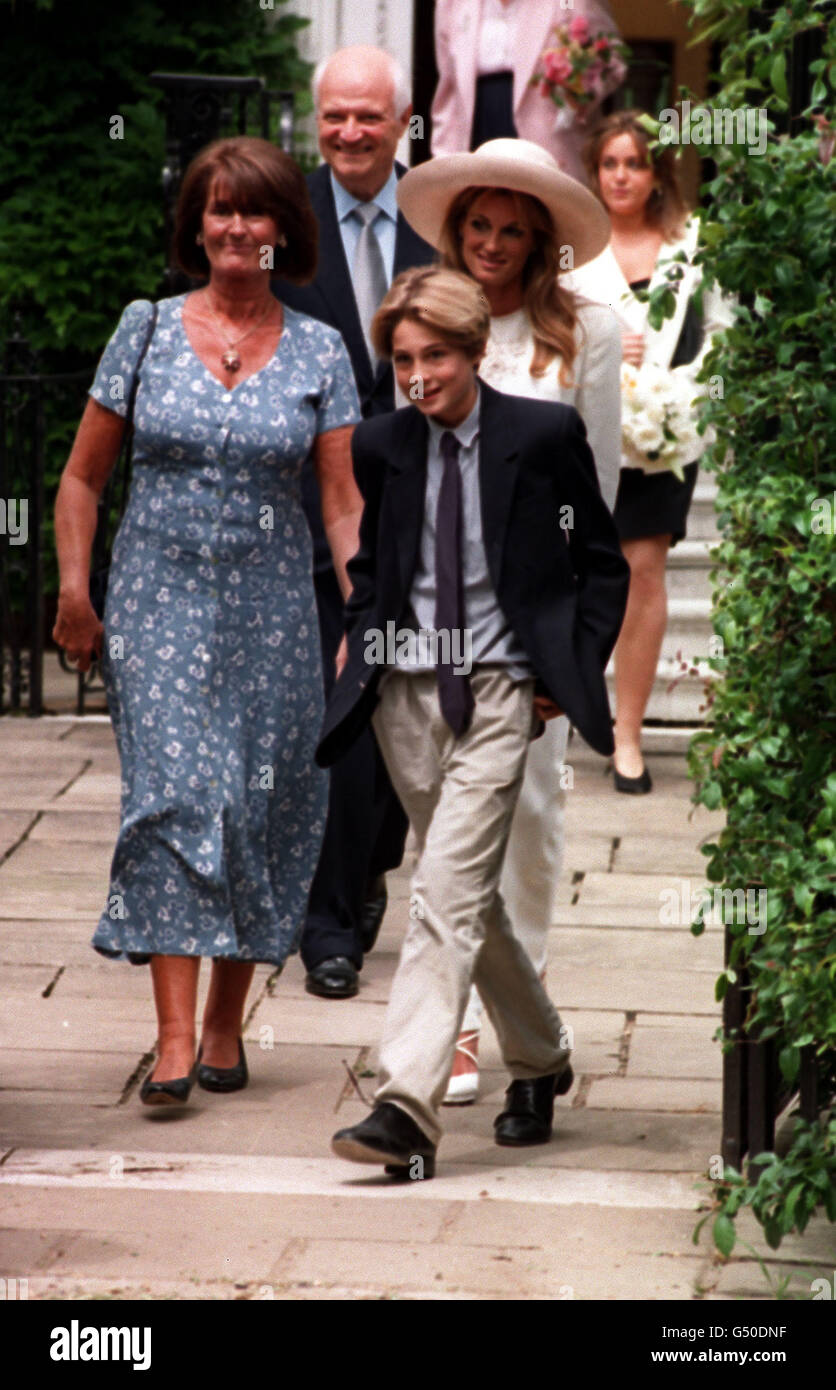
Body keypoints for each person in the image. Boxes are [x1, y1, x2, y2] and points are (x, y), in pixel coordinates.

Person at [52, 136, 363, 1107]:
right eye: (218, 210)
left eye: (255, 211)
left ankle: (228, 1021)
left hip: (272, 610)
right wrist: (73, 589)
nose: (235, 227)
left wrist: (363, 608)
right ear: (195, 226)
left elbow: (343, 500)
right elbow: (81, 476)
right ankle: (175, 1039)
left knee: (257, 809)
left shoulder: (319, 350)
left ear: (284, 232)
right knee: (177, 798)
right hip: (155, 602)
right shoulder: (144, 328)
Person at [320, 266, 629, 1178]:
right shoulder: (382, 444)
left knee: (441, 895)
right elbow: (378, 566)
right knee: (470, 901)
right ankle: (541, 1059)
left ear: (474, 351)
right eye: (405, 361)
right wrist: (362, 636)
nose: (419, 378)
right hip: (407, 699)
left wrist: (561, 672)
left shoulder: (541, 434)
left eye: (438, 358)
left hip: (498, 691)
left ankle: (403, 1105)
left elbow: (599, 561)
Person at [396, 137, 620, 1102]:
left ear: (539, 242)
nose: (491, 243)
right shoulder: (424, 320)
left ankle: (514, 1041)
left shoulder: (586, 336)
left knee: (526, 830)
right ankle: (450, 1033)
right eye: (478, 225)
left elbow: (598, 499)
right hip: (432, 623)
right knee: (439, 837)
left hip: (526, 636)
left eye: (511, 230)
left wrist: (568, 657)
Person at [274, 46, 435, 1000]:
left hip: (423, 514)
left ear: (401, 121)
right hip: (309, 511)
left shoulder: (438, 217)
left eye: (368, 117)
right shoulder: (281, 221)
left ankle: (372, 865)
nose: (349, 133)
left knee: (400, 715)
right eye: (334, 116)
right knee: (339, 707)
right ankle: (327, 928)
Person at [568, 110, 735, 792]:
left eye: (634, 163)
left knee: (645, 574)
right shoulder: (574, 246)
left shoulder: (692, 245)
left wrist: (688, 397)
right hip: (586, 434)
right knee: (579, 573)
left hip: (666, 434)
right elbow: (546, 329)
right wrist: (597, 341)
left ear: (657, 172)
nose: (621, 176)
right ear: (595, 171)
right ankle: (569, 711)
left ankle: (627, 735)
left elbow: (722, 329)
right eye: (610, 163)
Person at [431, 0, 626, 184]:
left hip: (551, 147)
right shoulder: (452, 3)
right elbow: (449, 90)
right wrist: (444, 155)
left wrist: (579, 92)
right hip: (477, 136)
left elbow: (612, 59)